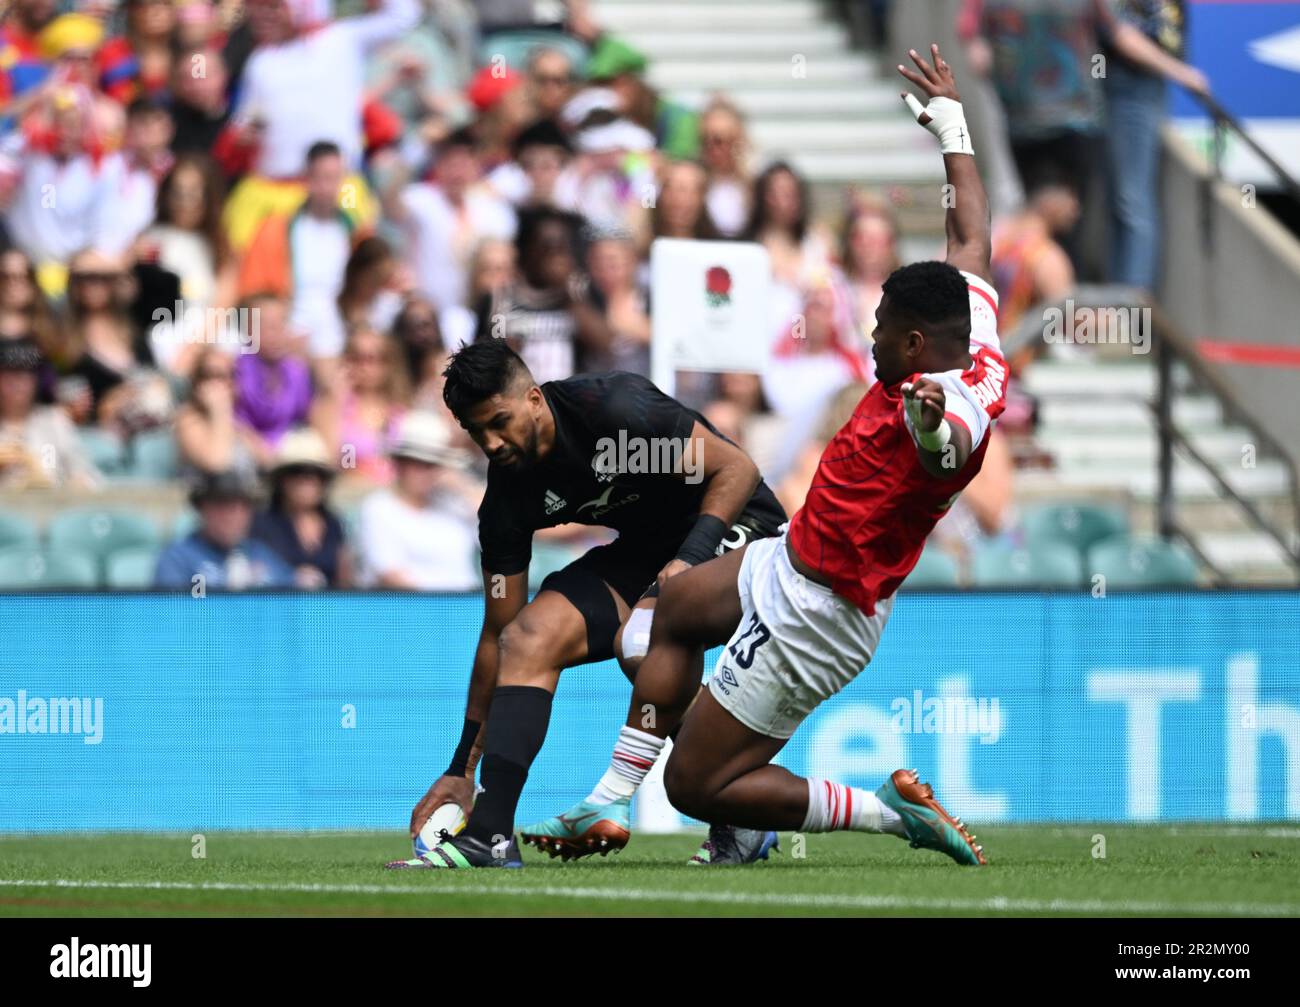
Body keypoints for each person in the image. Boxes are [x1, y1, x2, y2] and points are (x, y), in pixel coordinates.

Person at [534, 45, 1003, 868]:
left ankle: (887, 813)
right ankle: (604, 804)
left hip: (822, 611)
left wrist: (932, 425)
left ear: (920, 344)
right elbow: (972, 228)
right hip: (789, 557)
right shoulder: (974, 318)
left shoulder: (953, 401)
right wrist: (950, 122)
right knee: (658, 621)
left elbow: (949, 444)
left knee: (693, 785)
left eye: (884, 326)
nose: (871, 332)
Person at [385, 340, 787, 870]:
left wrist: (688, 561)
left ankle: (734, 802)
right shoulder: (507, 500)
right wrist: (462, 766)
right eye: (476, 431)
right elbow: (495, 638)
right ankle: (490, 835)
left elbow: (735, 468)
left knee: (641, 640)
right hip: (649, 551)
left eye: (500, 421)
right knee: (526, 638)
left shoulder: (612, 414)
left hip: (738, 529)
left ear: (532, 398)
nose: (492, 442)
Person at [354, 409, 479, 590]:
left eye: (432, 465)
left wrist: (462, 487)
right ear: (399, 464)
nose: (424, 472)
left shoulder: (455, 505)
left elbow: (503, 527)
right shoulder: (378, 508)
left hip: (468, 607)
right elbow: (388, 574)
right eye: (416, 463)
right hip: (410, 611)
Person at [155, 468, 295, 589]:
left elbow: (292, 593)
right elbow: (176, 612)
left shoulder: (259, 553)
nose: (232, 517)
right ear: (202, 509)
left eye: (242, 507)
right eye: (222, 506)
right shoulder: (178, 558)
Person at [252, 426, 352, 588]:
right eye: (296, 472)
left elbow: (345, 581)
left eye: (316, 473)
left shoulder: (334, 525)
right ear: (281, 480)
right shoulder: (261, 524)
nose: (307, 480)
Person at [0, 335, 100, 490]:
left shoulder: (54, 421)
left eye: (25, 375)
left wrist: (75, 484)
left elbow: (87, 476)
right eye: (9, 375)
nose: (18, 384)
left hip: (51, 505)